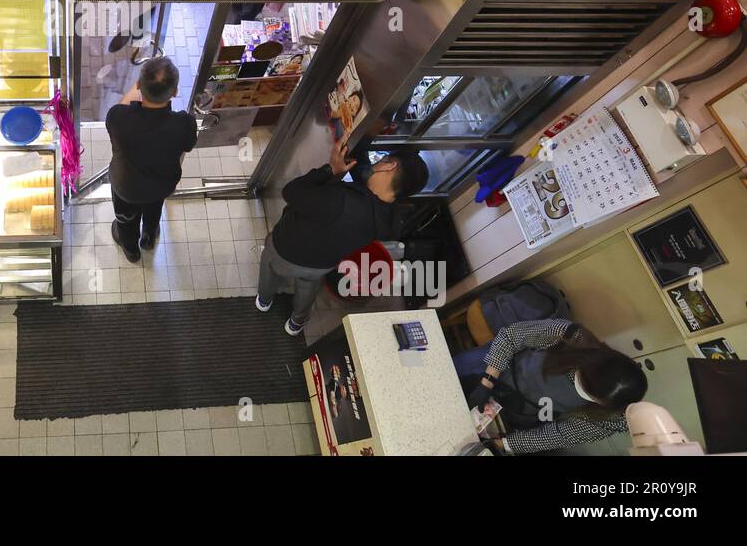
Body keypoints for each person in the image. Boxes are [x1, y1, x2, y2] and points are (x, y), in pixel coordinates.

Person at [256, 137, 429, 336]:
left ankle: (264, 299)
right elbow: (362, 184)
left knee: (269, 267)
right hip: (322, 264)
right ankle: (296, 322)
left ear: (389, 166)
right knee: (307, 286)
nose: (377, 162)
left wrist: (330, 170)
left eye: (383, 159)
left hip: (285, 249)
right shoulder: (389, 220)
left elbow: (292, 192)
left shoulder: (342, 201)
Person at [453, 319, 647, 455]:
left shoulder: (608, 418)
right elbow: (511, 336)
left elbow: (553, 436)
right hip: (498, 366)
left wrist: (496, 445)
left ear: (601, 402)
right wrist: (486, 382)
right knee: (447, 374)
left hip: (516, 411)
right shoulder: (569, 336)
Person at [104, 56, 197, 263]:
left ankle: (131, 249)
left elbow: (123, 107)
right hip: (162, 184)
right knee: (154, 208)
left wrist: (138, 87)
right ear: (175, 92)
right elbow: (188, 146)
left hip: (126, 187)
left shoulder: (118, 118)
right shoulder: (184, 123)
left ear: (138, 85)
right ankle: (148, 237)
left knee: (126, 219)